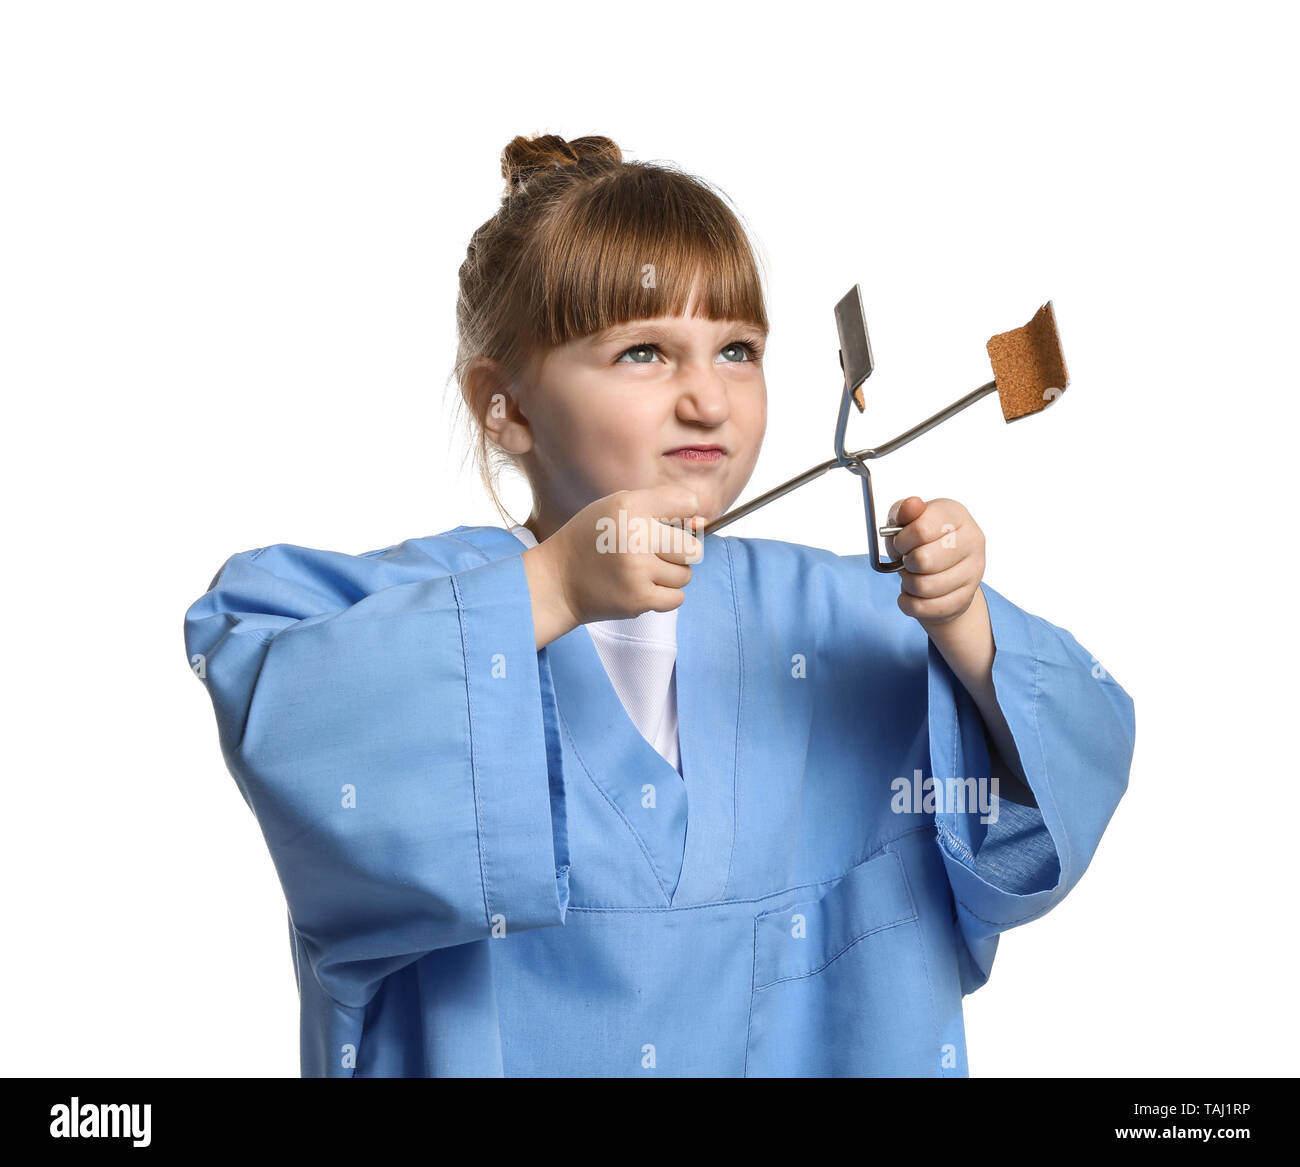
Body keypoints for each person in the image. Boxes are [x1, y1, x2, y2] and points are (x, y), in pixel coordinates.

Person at [183, 132, 1136, 1077]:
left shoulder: (850, 622)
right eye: (644, 352)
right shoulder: (419, 610)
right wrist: (549, 589)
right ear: (501, 405)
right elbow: (276, 693)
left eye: (736, 349)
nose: (707, 401)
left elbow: (1055, 794)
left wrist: (965, 627)